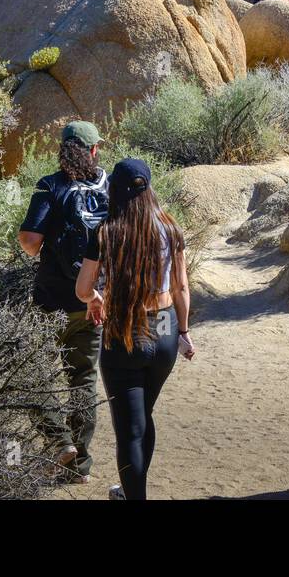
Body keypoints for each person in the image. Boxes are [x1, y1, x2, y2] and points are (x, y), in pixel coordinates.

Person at [75, 158, 194, 501]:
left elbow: (83, 289)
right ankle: (131, 492)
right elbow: (181, 288)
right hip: (166, 327)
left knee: (129, 430)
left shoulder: (106, 232)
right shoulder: (171, 229)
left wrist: (96, 298)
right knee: (144, 418)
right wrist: (184, 332)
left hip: (124, 329)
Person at [18, 121, 110, 483]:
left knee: (29, 374)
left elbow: (29, 240)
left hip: (50, 301)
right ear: (93, 150)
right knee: (83, 380)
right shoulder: (109, 187)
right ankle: (81, 467)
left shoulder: (50, 185)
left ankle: (59, 440)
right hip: (93, 302)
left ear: (62, 149)